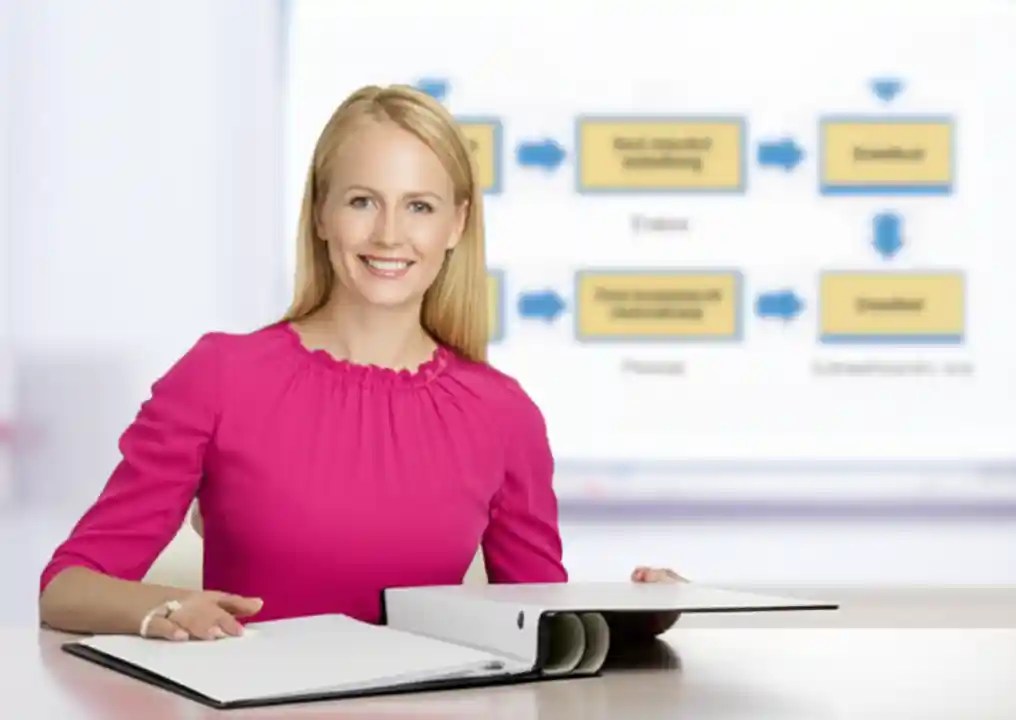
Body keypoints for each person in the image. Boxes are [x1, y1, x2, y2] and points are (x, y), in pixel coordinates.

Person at [37, 84, 684, 642]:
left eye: (419, 207)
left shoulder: (503, 414)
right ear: (320, 212)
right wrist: (164, 608)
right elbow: (66, 588)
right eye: (361, 201)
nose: (389, 236)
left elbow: (540, 620)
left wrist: (644, 615)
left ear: (457, 224)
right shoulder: (219, 377)